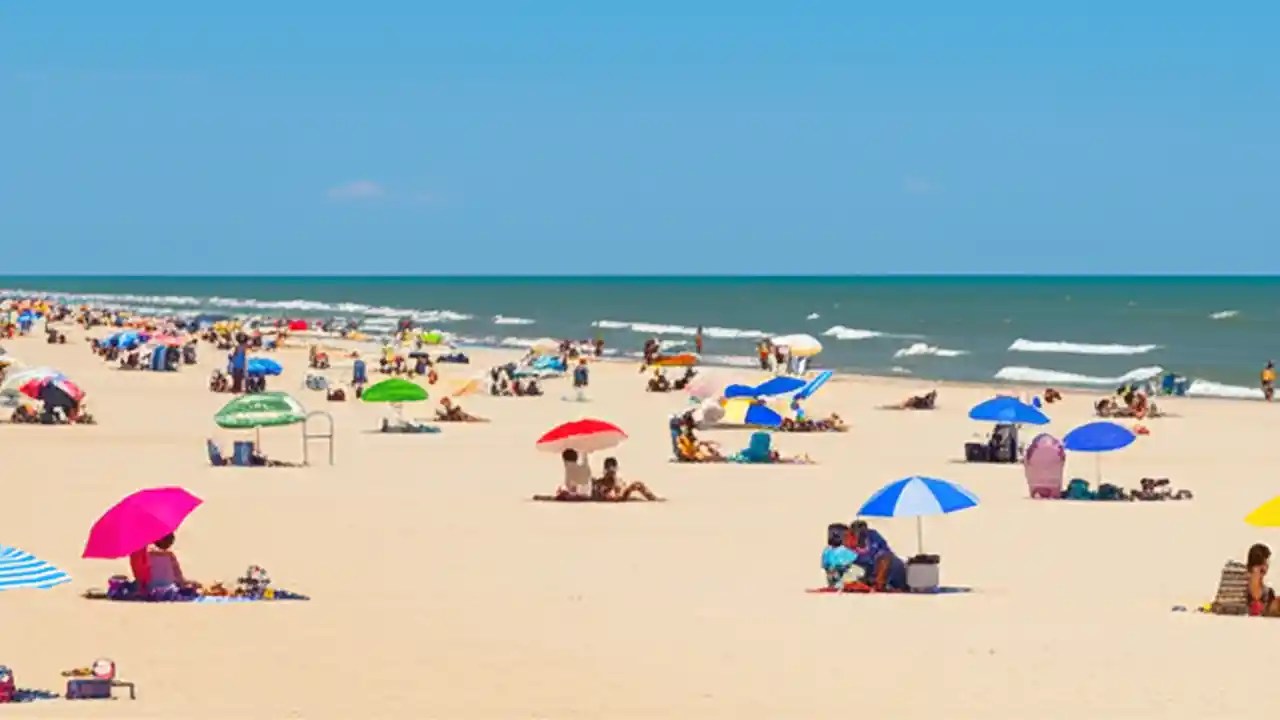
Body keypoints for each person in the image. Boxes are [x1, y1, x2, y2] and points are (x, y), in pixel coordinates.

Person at [129, 533, 198, 598]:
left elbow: (142, 572)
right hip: (168, 586)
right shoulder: (170, 555)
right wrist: (184, 584)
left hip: (151, 586)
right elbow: (178, 575)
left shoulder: (146, 554)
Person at [848, 520, 907, 591]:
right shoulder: (848, 542)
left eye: (862, 531)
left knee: (890, 561)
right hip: (862, 568)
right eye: (855, 531)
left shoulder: (873, 536)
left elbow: (886, 551)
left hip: (880, 565)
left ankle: (882, 585)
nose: (859, 534)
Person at [593, 457, 660, 501]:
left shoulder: (618, 481)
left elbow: (621, 490)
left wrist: (624, 491)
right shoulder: (601, 482)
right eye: (608, 468)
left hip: (619, 496)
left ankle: (653, 499)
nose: (610, 470)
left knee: (638, 484)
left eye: (612, 468)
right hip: (610, 496)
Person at [1247, 543, 1279, 616]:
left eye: (1265, 564)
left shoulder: (1269, 593)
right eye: (1259, 564)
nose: (1263, 568)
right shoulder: (1241, 592)